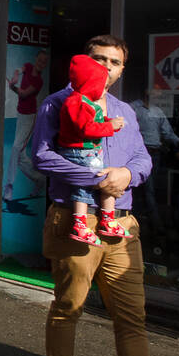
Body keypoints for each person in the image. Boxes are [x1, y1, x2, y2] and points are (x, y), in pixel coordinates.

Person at [33, 34, 179, 356]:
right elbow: (43, 157)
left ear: (123, 70)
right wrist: (98, 178)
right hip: (76, 219)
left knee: (132, 319)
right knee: (69, 308)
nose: (106, 67)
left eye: (114, 62)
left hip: (122, 225)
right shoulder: (57, 103)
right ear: (84, 61)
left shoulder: (125, 111)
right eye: (98, 59)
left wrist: (127, 175)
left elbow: (142, 157)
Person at [56, 54, 129, 245]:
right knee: (96, 183)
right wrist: (110, 126)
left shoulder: (82, 101)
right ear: (90, 83)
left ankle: (106, 220)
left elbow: (89, 122)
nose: (103, 90)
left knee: (99, 182)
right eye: (101, 85)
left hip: (87, 151)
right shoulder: (77, 102)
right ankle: (89, 223)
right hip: (80, 152)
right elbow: (85, 128)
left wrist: (106, 121)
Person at [130, 87, 179, 237]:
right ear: (147, 91)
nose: (159, 93)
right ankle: (157, 227)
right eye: (156, 90)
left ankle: (145, 223)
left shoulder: (157, 111)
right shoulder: (133, 108)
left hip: (156, 153)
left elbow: (167, 132)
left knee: (151, 189)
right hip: (141, 153)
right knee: (147, 190)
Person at [4, 51, 48, 201]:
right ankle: (40, 179)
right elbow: (18, 69)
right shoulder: (28, 67)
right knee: (20, 156)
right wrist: (15, 76)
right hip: (20, 114)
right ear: (36, 59)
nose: (41, 64)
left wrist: (12, 87)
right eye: (40, 60)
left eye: (44, 62)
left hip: (29, 118)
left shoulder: (39, 82)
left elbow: (23, 94)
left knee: (16, 148)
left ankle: (8, 187)